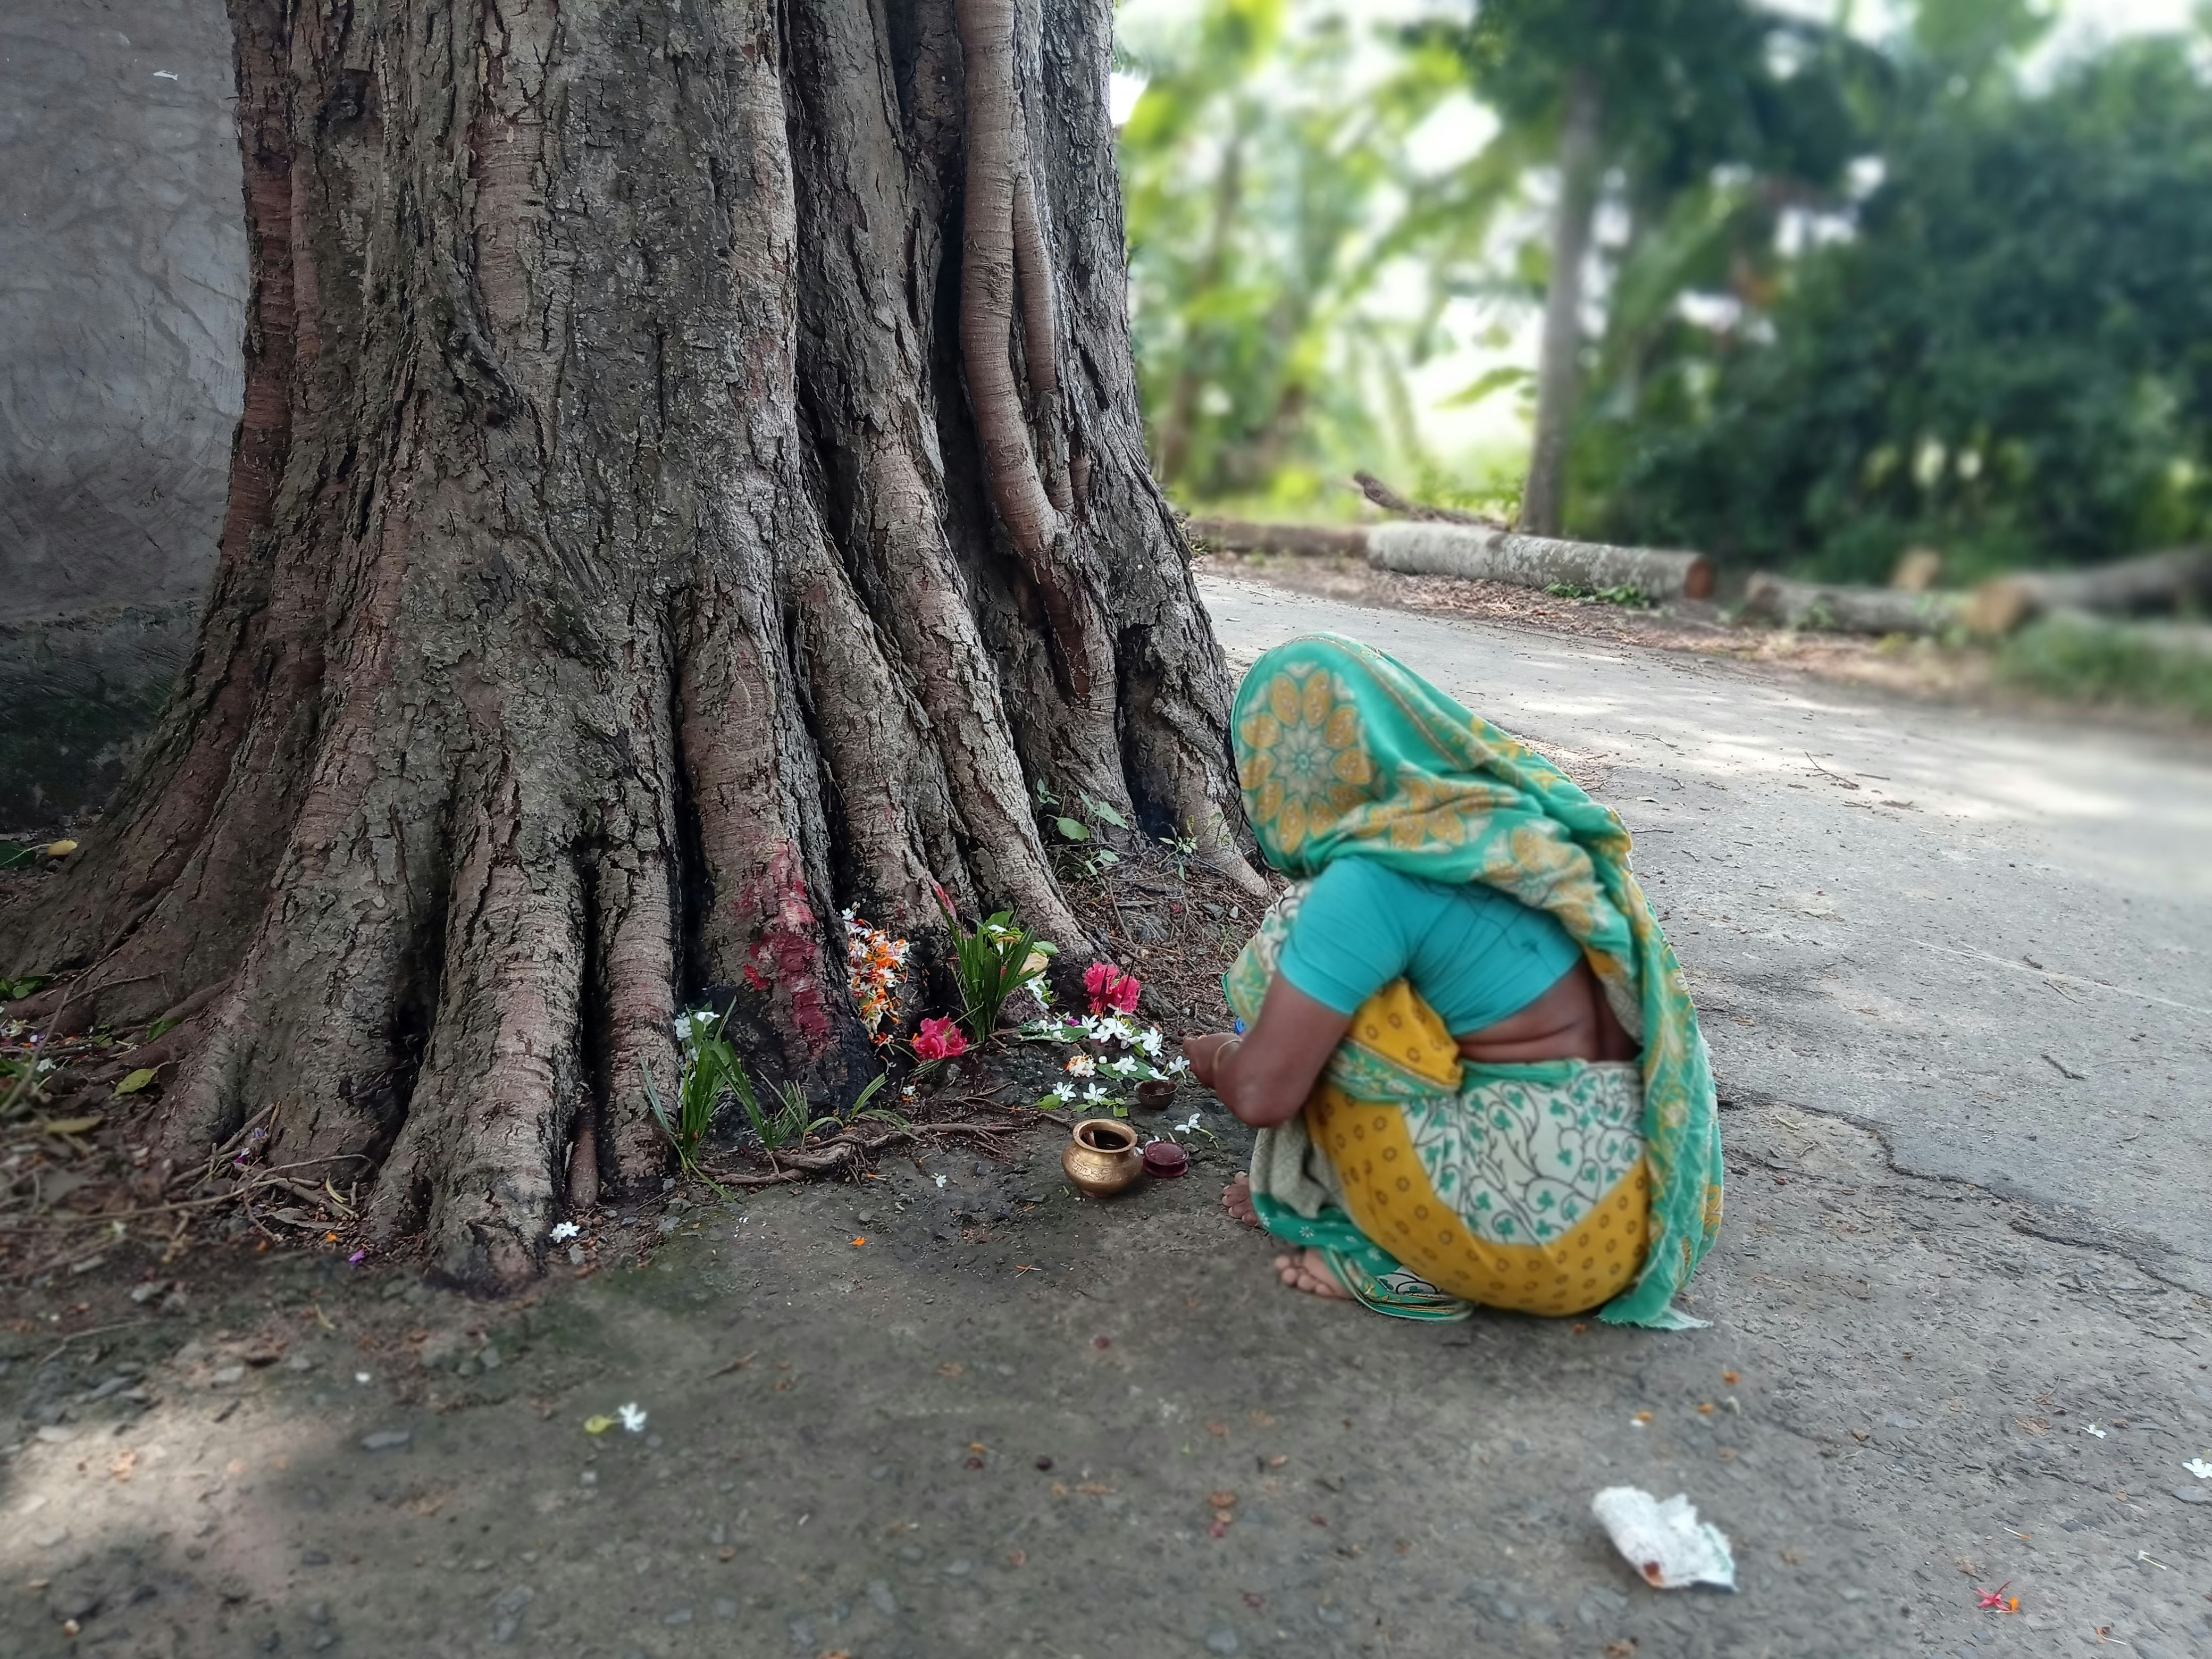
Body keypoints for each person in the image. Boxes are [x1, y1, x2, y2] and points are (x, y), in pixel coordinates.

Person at [1183, 633, 1722, 1327]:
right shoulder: (1504, 826)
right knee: (1366, 998)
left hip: (1539, 1242)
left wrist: (1221, 1058)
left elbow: (1261, 1094)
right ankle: (1342, 1190)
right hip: (1640, 1202)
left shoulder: (1362, 885)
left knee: (1305, 997)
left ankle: (1393, 1254)